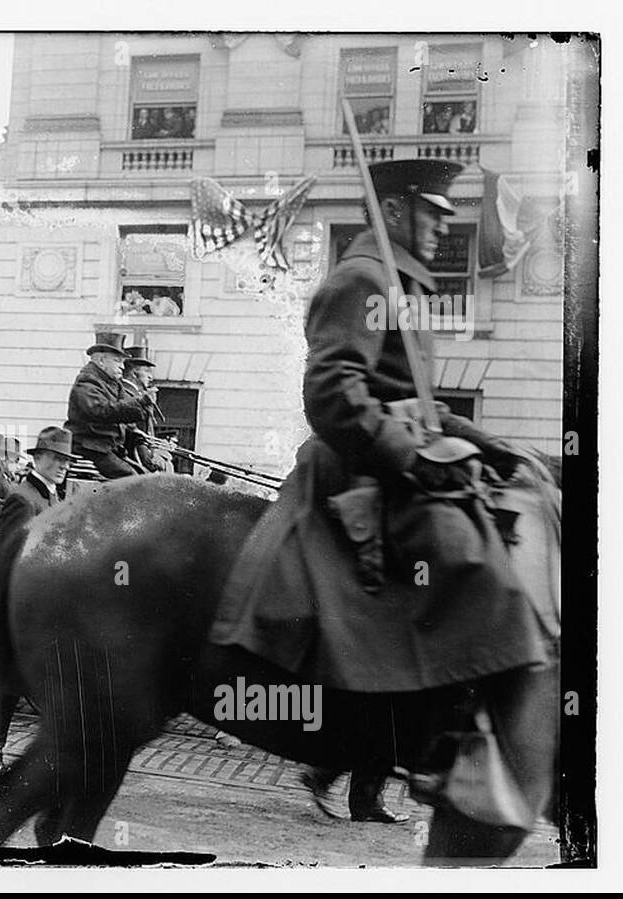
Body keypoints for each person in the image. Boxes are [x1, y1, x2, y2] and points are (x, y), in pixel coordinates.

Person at [208, 159, 551, 825]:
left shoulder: (401, 286)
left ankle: (405, 738)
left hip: (393, 462)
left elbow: (417, 402)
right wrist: (411, 457)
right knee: (474, 559)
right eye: (431, 215)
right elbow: (332, 391)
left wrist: (488, 443)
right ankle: (446, 746)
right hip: (357, 470)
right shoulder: (362, 279)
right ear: (394, 212)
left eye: (445, 218)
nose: (441, 229)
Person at [0, 426, 79, 775]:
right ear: (37, 458)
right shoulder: (23, 498)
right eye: (55, 458)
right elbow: (13, 557)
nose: (62, 465)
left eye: (66, 460)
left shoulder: (51, 496)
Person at [65, 331, 158, 479]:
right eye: (117, 361)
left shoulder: (113, 384)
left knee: (142, 475)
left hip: (106, 449)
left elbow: (120, 416)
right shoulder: (87, 382)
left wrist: (134, 434)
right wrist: (140, 402)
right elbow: (103, 411)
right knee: (130, 480)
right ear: (101, 360)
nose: (122, 366)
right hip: (90, 448)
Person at [121, 345, 172, 473]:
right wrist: (152, 460)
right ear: (133, 372)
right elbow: (136, 437)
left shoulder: (137, 395)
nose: (151, 377)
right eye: (147, 371)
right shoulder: (126, 394)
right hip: (133, 459)